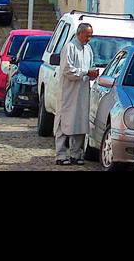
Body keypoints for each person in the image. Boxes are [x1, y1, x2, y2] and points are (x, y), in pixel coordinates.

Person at [55, 22, 100, 165]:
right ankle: (60, 155)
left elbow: (90, 66)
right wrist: (86, 72)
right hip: (68, 92)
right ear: (79, 33)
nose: (89, 39)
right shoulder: (69, 47)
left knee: (80, 123)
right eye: (87, 36)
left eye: (90, 36)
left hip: (82, 92)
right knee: (64, 122)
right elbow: (68, 70)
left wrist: (92, 73)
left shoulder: (88, 49)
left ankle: (76, 154)